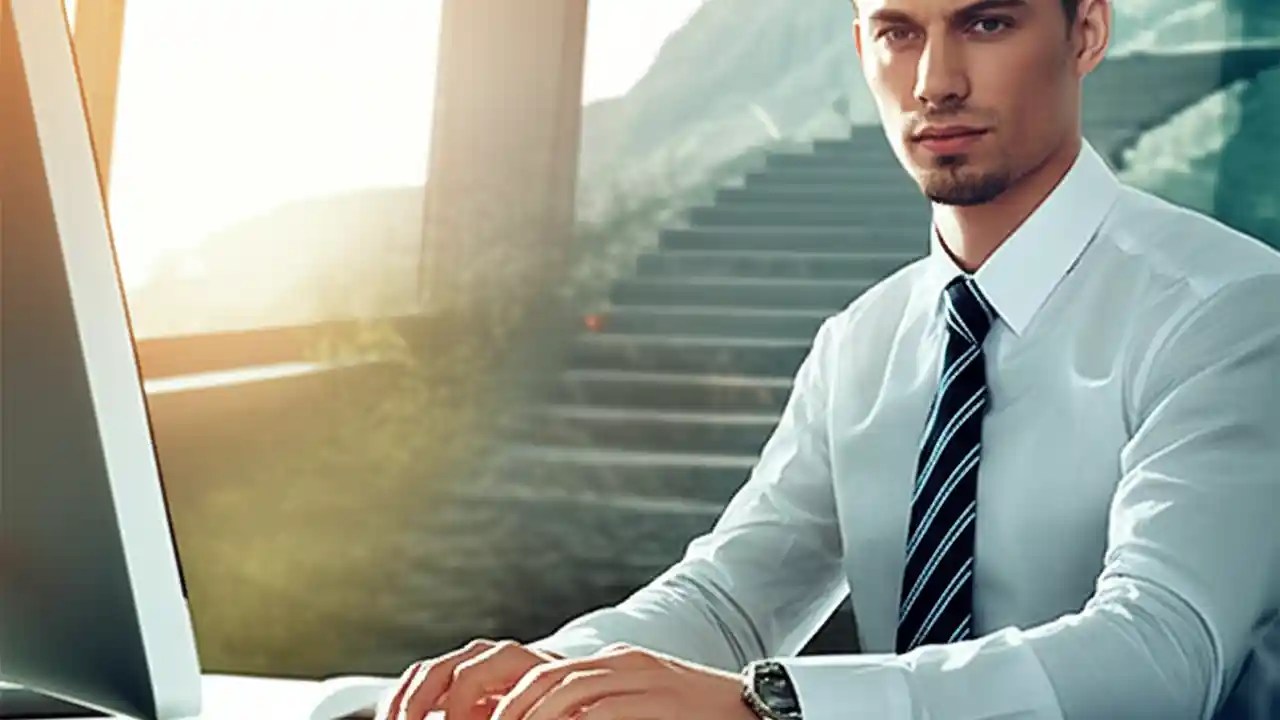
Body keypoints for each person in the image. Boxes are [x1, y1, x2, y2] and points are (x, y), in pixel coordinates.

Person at [380, 0, 1280, 717]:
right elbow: (733, 598)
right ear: (862, 47)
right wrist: (542, 677)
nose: (935, 82)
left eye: (987, 23)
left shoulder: (1231, 311)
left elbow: (1164, 653)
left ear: (1087, 30)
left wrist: (771, 704)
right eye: (898, 32)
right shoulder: (862, 341)